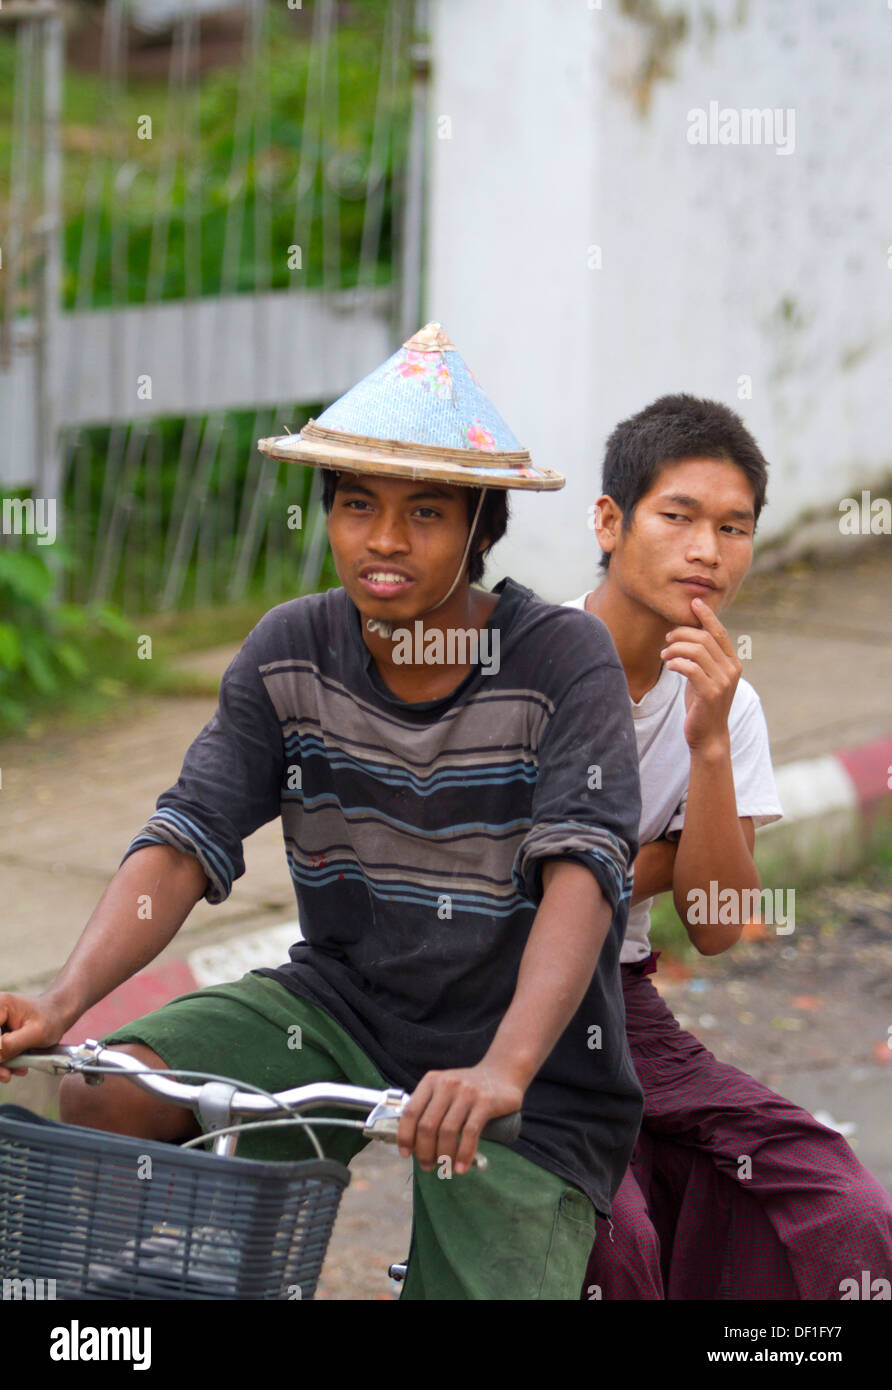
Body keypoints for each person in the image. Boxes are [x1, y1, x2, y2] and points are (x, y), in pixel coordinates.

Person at [0, 322, 643, 1301]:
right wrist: (61, 999)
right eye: (355, 504)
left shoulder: (563, 660)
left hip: (530, 1073)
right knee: (93, 1099)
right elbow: (185, 836)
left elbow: (583, 872)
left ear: (480, 528)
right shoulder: (288, 648)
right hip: (336, 1011)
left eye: (425, 512)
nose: (383, 539)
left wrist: (504, 1070)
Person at [564, 392, 892, 1300]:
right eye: (677, 517)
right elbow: (527, 882)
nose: (707, 550)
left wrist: (708, 746)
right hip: (494, 1005)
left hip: (621, 1005)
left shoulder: (730, 704)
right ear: (610, 520)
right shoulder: (527, 661)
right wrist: (650, 859)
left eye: (734, 527)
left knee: (844, 1208)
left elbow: (715, 924)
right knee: (614, 1237)